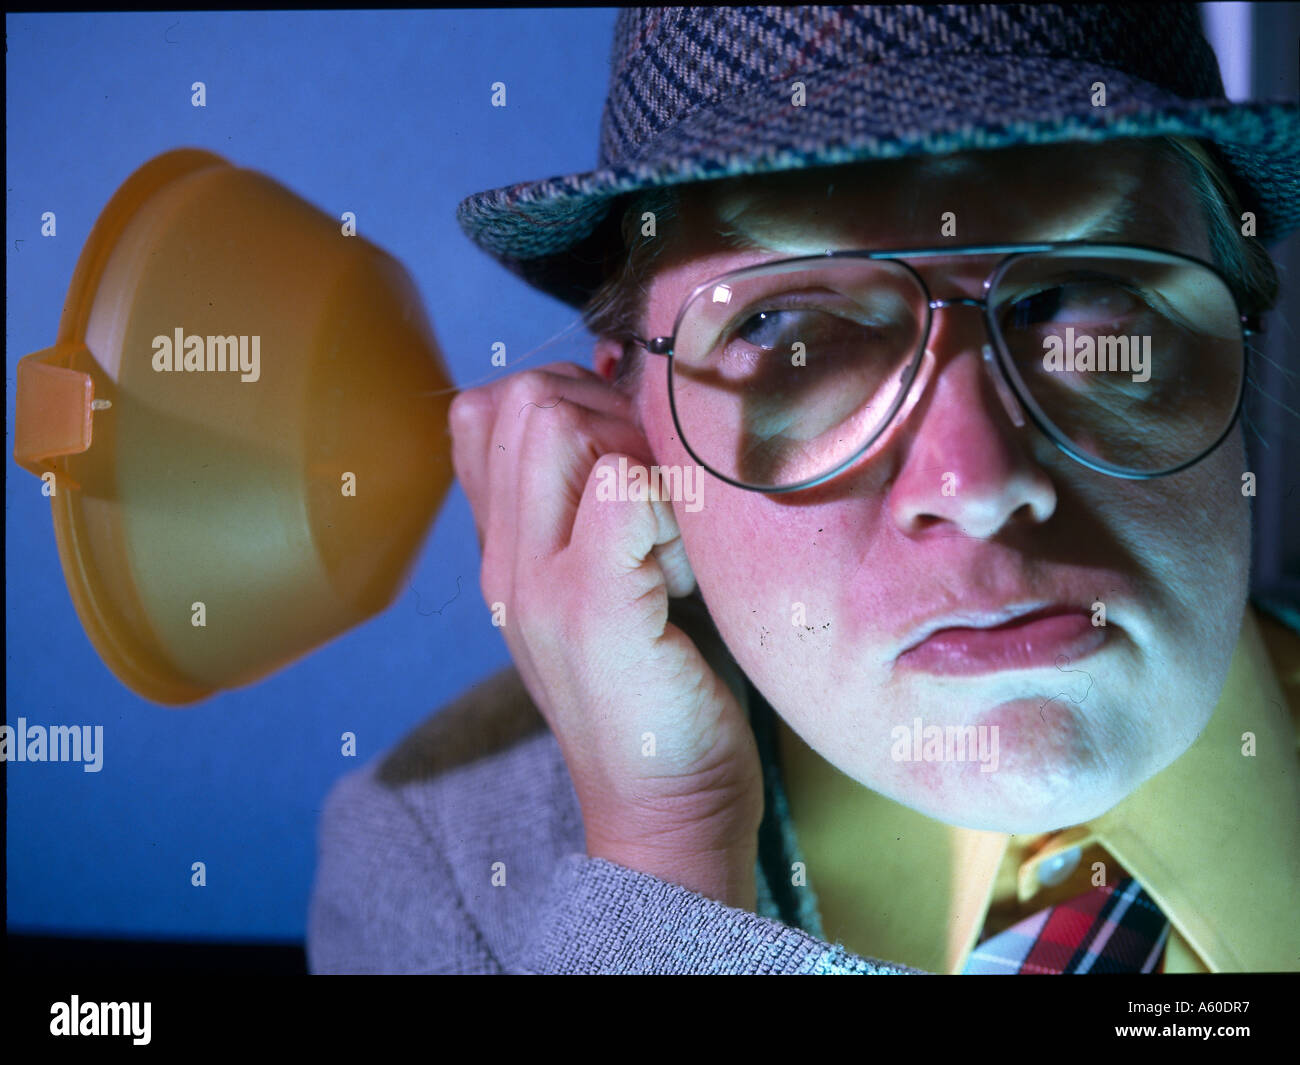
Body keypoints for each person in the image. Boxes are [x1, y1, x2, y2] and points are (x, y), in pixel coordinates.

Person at [307, 4, 1300, 974]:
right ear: (635, 435)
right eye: (790, 335)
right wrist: (668, 863)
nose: (976, 485)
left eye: (1080, 300)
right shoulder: (438, 878)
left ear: (1242, 339)